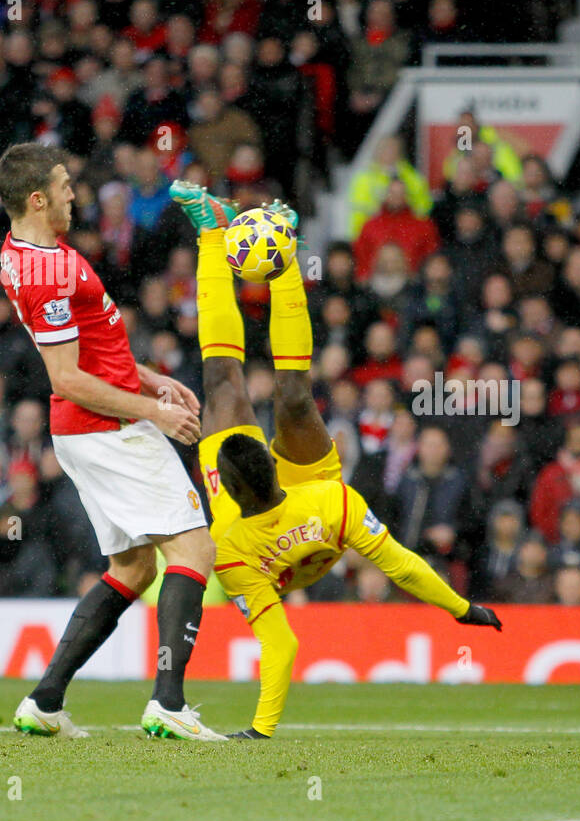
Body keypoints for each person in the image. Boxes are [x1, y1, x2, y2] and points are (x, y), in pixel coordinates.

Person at [168, 182, 501, 740]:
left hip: (305, 486)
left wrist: (460, 606)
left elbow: (400, 564)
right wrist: (460, 609)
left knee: (289, 395)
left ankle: (270, 247)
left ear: (229, 484)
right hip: (281, 505)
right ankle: (216, 231)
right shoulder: (230, 551)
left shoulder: (329, 502)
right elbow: (286, 640)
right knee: (226, 378)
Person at [0, 144, 222, 742]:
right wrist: (154, 413)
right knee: (194, 549)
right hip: (105, 427)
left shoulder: (27, 254)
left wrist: (150, 377)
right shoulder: (47, 271)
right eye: (66, 185)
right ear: (38, 198)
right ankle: (168, 703)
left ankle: (44, 701)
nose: (76, 194)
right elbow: (65, 377)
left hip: (86, 428)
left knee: (133, 565)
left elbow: (93, 346)